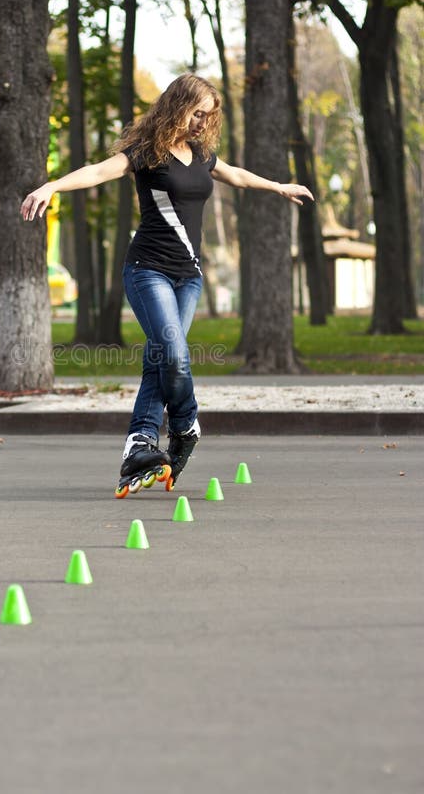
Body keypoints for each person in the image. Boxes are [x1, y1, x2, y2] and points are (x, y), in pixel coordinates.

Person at [21, 74, 314, 496]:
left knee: (161, 357)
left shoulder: (200, 154)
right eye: (197, 113)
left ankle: (140, 442)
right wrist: (53, 185)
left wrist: (277, 186)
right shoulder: (145, 152)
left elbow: (236, 175)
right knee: (173, 352)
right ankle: (185, 424)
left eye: (208, 116)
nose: (201, 122)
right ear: (178, 105)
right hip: (148, 269)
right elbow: (98, 171)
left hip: (189, 277)